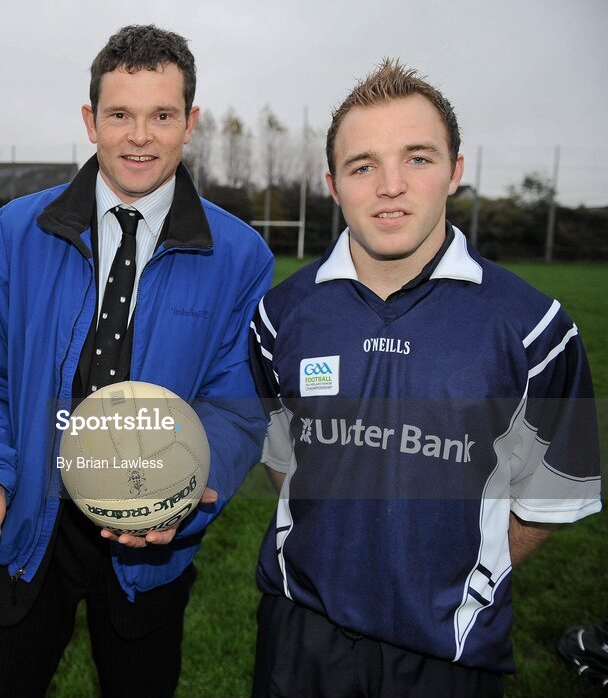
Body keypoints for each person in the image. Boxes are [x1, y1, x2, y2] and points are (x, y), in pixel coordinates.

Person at [0, 24, 274, 696]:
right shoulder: (15, 232)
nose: (139, 136)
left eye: (161, 115)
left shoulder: (241, 256)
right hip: (24, 516)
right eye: (120, 114)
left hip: (150, 537)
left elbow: (237, 402)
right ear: (91, 121)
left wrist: (191, 490)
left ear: (190, 122)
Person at [248, 59, 601, 697]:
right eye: (363, 165)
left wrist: (460, 576)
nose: (390, 186)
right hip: (298, 634)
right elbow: (284, 461)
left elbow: (550, 500)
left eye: (417, 158)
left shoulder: (534, 329)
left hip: (448, 653)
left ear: (455, 170)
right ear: (333, 183)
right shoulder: (279, 316)